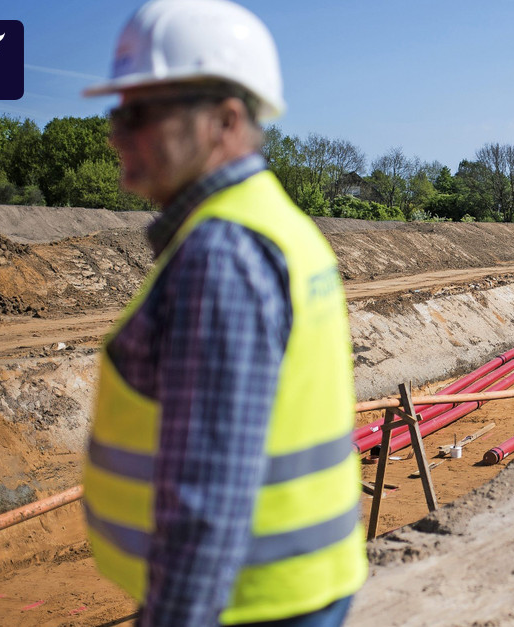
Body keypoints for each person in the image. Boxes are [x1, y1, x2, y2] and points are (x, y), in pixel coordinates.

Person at [80, 1, 366, 625]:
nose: (116, 134)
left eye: (139, 113)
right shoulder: (273, 220)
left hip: (248, 605)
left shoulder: (221, 252)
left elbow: (206, 497)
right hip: (299, 587)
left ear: (225, 120)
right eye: (116, 113)